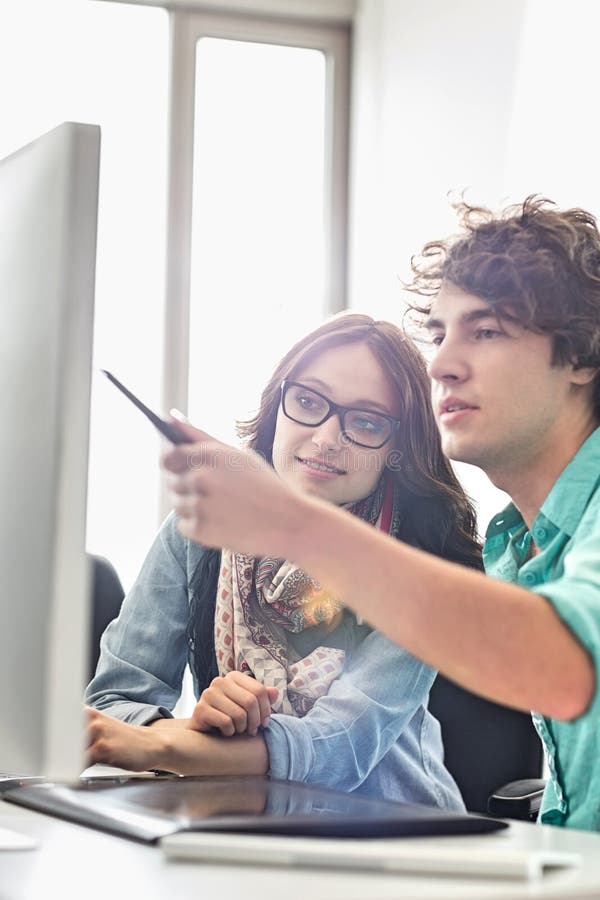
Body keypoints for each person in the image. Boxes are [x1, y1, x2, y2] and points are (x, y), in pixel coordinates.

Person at [138, 196, 600, 831]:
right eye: (439, 333)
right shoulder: (518, 543)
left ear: (583, 355)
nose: (440, 363)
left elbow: (563, 662)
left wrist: (286, 521)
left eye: (486, 331)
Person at [86, 314, 481, 809]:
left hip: (398, 836)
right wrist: (200, 726)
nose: (326, 438)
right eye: (309, 402)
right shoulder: (199, 530)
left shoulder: (417, 565)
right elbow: (114, 701)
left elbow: (339, 749)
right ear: (278, 406)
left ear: (397, 448)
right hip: (235, 823)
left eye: (365, 421)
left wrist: (165, 744)